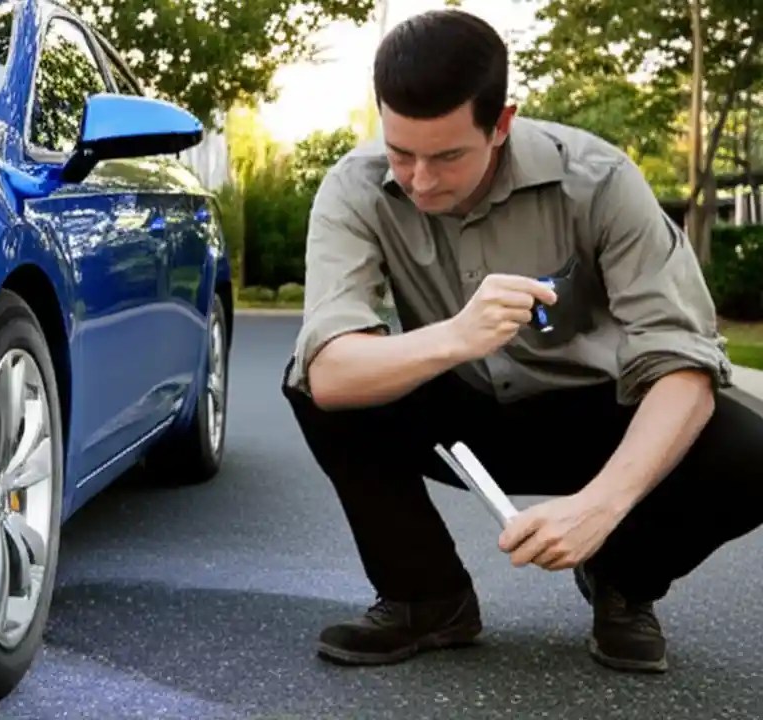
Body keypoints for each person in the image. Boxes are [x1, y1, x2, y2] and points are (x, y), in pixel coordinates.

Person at [282, 7, 763, 674]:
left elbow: (682, 361)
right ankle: (427, 599)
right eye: (401, 152)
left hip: (597, 413)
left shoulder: (598, 179)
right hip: (459, 411)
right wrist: (457, 335)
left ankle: (623, 581)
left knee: (750, 448)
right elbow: (331, 371)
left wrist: (602, 507)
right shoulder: (353, 188)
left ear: (501, 124)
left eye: (448, 155)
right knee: (312, 383)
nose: (420, 180)